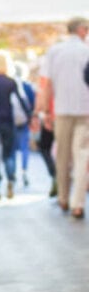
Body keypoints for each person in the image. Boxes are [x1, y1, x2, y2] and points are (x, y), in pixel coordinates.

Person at [39, 17, 89, 218]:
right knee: (81, 157)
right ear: (81, 30)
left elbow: (47, 84)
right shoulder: (87, 51)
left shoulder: (54, 51)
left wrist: (46, 111)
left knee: (62, 156)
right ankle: (78, 203)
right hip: (85, 111)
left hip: (61, 110)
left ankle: (63, 197)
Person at [0, 50, 30, 200]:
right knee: (8, 154)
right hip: (7, 121)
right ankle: (10, 180)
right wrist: (29, 116)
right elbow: (21, 101)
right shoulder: (11, 82)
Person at [13, 63, 36, 186]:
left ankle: (12, 172)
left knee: (11, 149)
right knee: (24, 148)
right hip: (24, 121)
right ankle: (24, 170)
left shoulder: (10, 84)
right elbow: (32, 104)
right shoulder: (27, 86)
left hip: (10, 121)